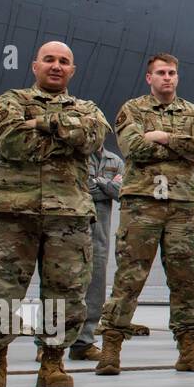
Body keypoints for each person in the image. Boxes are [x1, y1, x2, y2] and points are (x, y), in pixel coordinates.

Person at [0, 41, 109, 387]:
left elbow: (92, 138)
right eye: (49, 59)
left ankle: (52, 362)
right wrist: (65, 134)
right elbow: (10, 141)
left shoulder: (88, 108)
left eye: (64, 61)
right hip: (11, 214)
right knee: (0, 291)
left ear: (72, 70)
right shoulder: (11, 101)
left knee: (65, 294)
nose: (56, 66)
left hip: (68, 215)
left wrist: (41, 122)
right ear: (35, 65)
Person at [97, 53, 194, 376]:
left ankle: (189, 348)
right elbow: (133, 147)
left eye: (172, 73)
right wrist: (182, 145)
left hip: (182, 206)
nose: (168, 78)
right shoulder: (132, 110)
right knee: (130, 277)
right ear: (149, 78)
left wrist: (162, 137)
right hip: (142, 204)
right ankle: (111, 347)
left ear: (178, 77)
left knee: (187, 280)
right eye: (161, 73)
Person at [39, 148, 121, 362]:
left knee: (95, 289)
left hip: (98, 237)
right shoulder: (72, 155)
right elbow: (78, 187)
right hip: (68, 232)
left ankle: (83, 343)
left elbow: (124, 190)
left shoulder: (114, 160)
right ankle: (47, 342)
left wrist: (97, 182)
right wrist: (107, 184)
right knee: (58, 286)